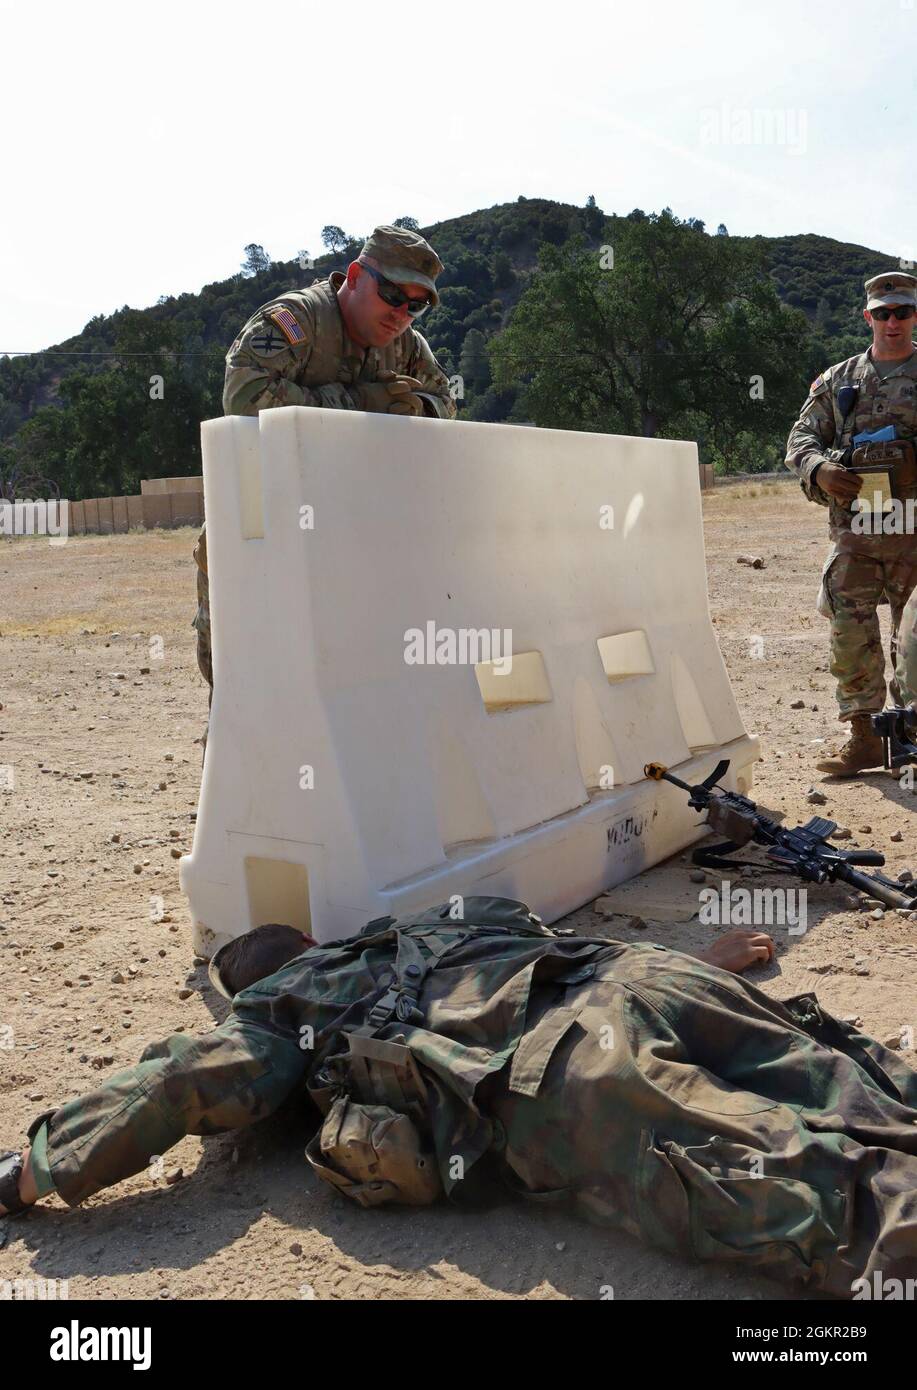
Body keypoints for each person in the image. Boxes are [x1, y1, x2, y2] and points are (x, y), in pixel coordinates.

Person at [3, 898, 916, 1297]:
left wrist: (29, 1172)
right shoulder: (421, 924)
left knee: (825, 1195)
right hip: (650, 982)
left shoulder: (287, 1006)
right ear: (315, 933)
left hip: (569, 1067)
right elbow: (557, 942)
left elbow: (175, 1082)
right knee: (871, 1092)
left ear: (253, 988)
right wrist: (698, 967)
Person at [193, 224, 457, 698]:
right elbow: (245, 395)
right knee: (242, 681)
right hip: (260, 531)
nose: (401, 313)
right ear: (355, 276)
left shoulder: (407, 345)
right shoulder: (296, 321)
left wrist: (416, 409)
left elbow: (446, 403)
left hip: (348, 537)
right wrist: (361, 406)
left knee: (346, 684)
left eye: (416, 305)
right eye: (393, 293)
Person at [784, 270, 917, 776]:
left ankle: (910, 742)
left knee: (916, 639)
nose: (892, 321)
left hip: (914, 530)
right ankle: (863, 737)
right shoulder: (839, 379)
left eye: (902, 312)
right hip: (857, 532)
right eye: (882, 313)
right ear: (868, 317)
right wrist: (820, 468)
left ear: (914, 316)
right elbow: (800, 440)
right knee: (850, 633)